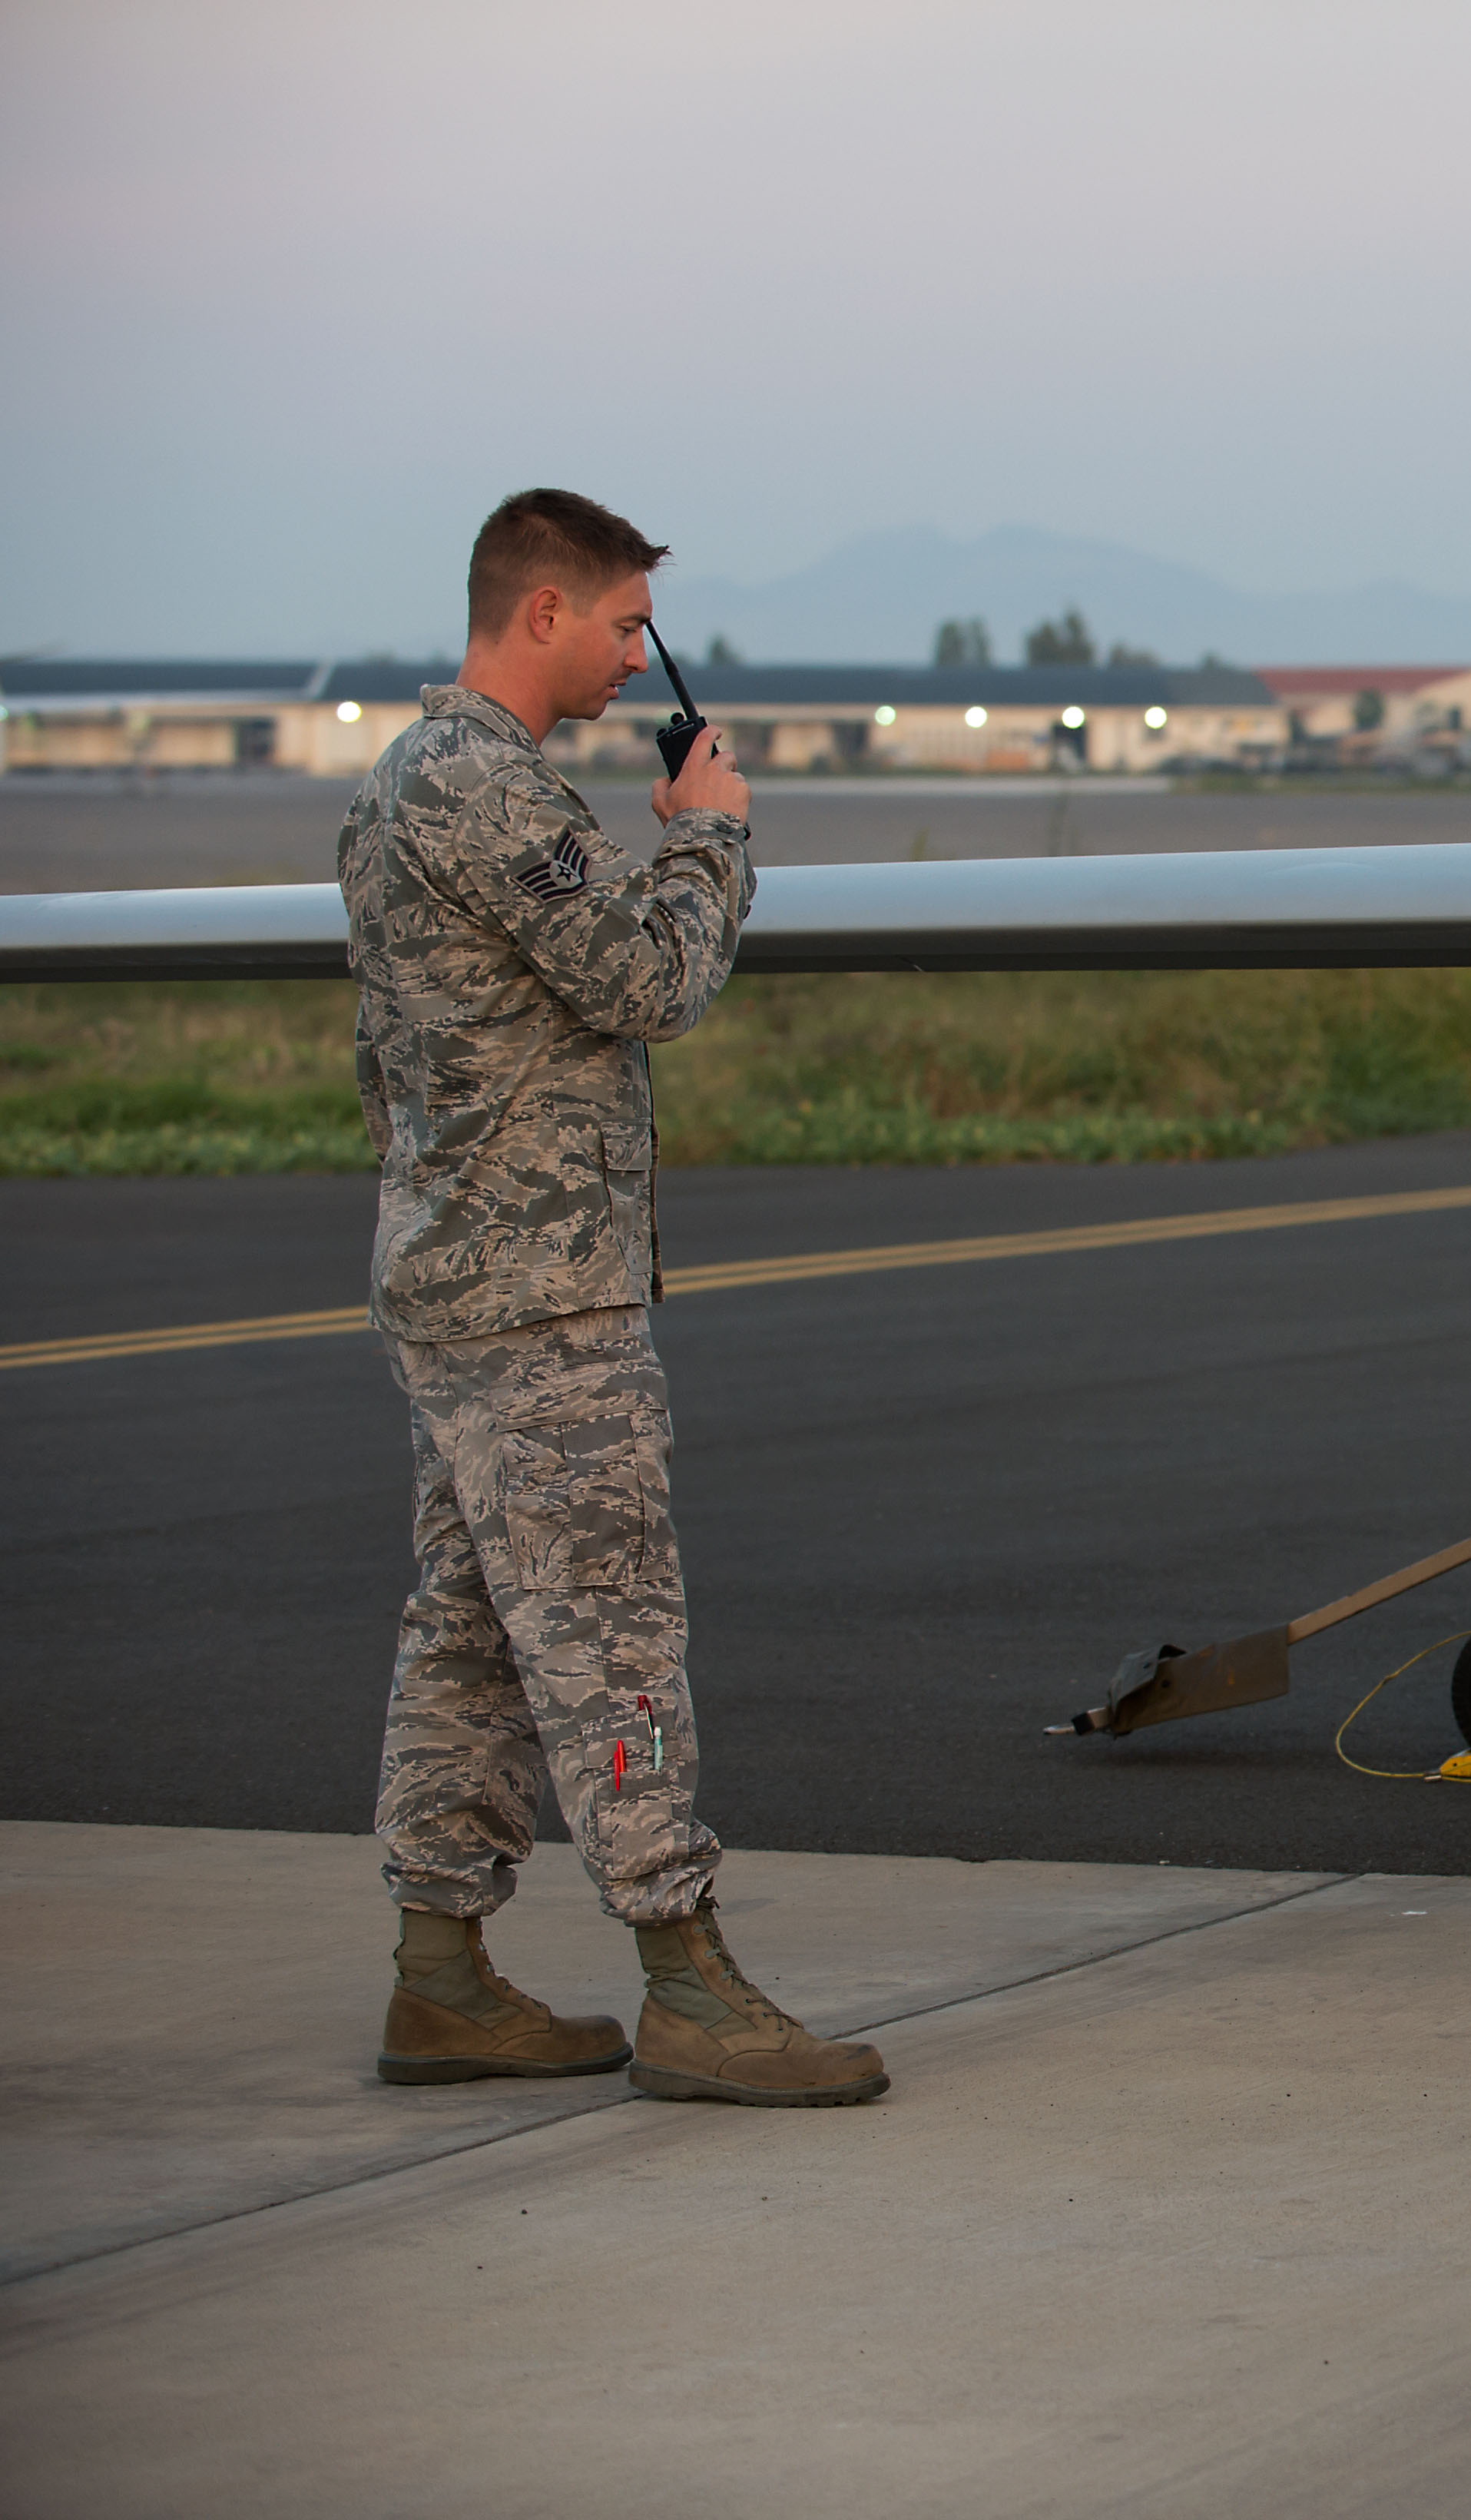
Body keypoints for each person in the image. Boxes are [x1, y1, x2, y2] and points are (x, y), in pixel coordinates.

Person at [343, 489, 883, 2106]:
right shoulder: (484, 786)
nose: (640, 657)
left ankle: (440, 1975)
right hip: (537, 1300)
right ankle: (688, 1981)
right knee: (612, 1627)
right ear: (543, 611)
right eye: (625, 623)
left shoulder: (408, 781)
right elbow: (653, 979)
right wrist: (711, 832)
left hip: (464, 1272)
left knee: (473, 1635)